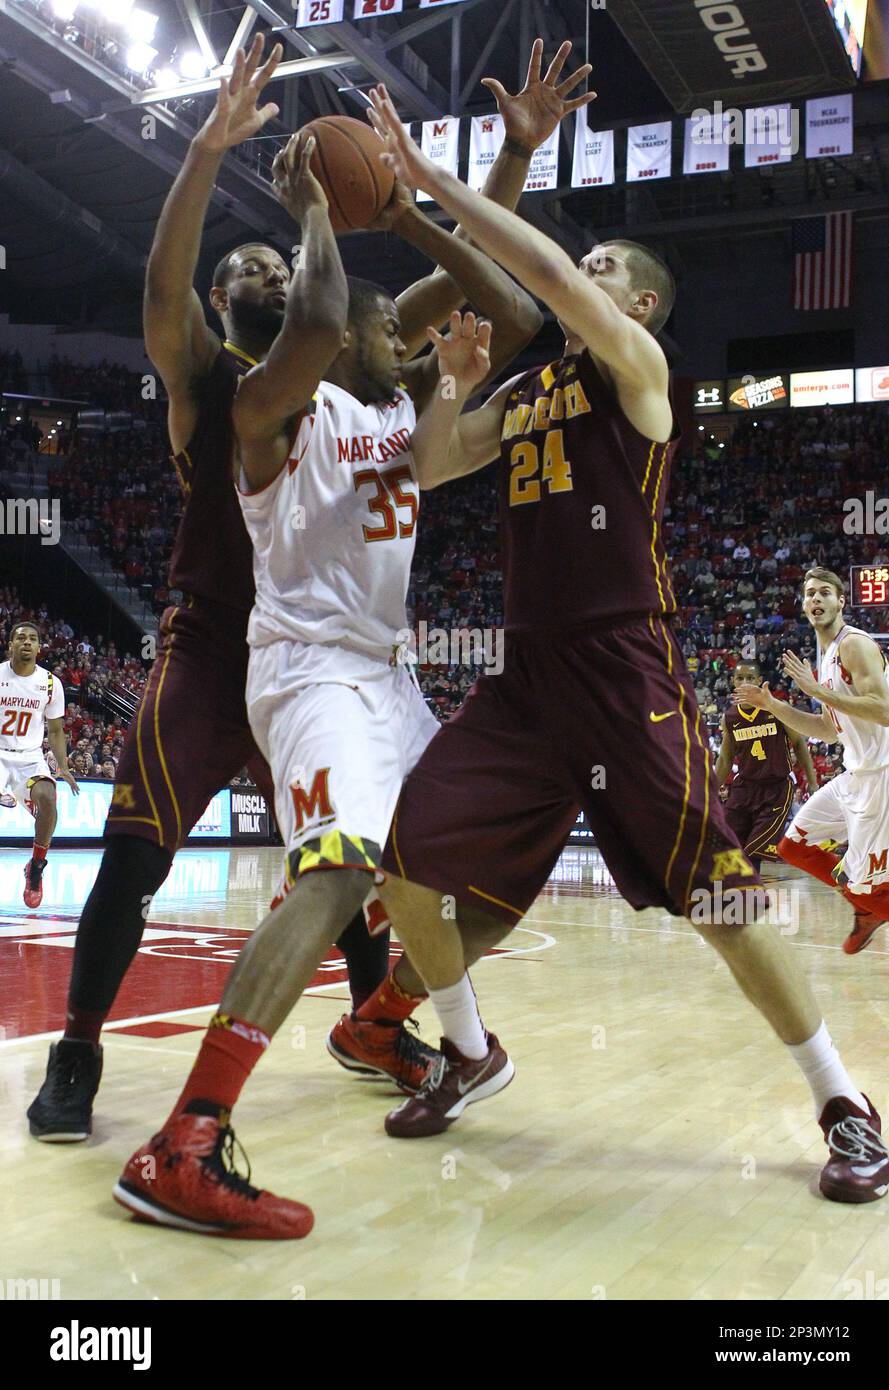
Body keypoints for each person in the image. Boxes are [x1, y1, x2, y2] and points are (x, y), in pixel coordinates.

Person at [27, 33, 582, 1145]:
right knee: (138, 853)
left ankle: (372, 1024)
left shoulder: (348, 372)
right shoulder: (215, 385)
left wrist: (506, 166)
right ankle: (80, 1046)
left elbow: (449, 284)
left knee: (366, 863)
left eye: (272, 263)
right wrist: (203, 154)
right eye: (242, 271)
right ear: (226, 305)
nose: (260, 270)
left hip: (334, 652)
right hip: (217, 649)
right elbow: (160, 281)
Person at [345, 86, 889, 1208]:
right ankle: (469, 1049)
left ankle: (844, 1101)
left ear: (638, 299)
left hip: (623, 667)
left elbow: (545, 279)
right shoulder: (533, 386)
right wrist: (450, 379)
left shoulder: (642, 371)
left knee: (721, 901)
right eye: (581, 258)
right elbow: (436, 466)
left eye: (601, 263)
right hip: (525, 679)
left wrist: (435, 183)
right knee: (411, 870)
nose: (579, 269)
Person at [112, 113, 542, 1236]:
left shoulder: (400, 402)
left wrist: (504, 162)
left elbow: (485, 293)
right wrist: (312, 200)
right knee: (338, 874)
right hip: (305, 675)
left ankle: (386, 1019)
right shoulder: (266, 409)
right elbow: (318, 315)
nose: (408, 332)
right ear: (355, 330)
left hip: (388, 679)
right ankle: (184, 1142)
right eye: (387, 325)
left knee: (481, 857)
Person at [735, 568, 889, 956]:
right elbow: (828, 730)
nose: (816, 599)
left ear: (841, 601)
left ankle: (872, 904)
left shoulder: (854, 645)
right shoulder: (824, 656)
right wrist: (774, 706)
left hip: (884, 777)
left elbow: (882, 711)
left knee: (870, 890)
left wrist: (811, 689)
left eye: (825, 592)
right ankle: (870, 907)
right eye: (810, 594)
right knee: (793, 847)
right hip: (856, 774)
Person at [0, 620, 78, 907]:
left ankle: (36, 867)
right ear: (10, 645)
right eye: (20, 637)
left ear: (39, 647)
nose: (27, 642)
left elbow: (55, 731)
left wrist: (65, 767)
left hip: (30, 758)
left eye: (33, 638)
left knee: (48, 798)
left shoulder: (49, 683)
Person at [716, 659, 818, 870]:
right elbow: (725, 758)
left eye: (750, 678)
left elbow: (799, 742)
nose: (745, 682)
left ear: (760, 681)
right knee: (726, 843)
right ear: (733, 681)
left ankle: (748, 896)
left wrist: (812, 782)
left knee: (753, 851)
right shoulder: (730, 717)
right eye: (740, 678)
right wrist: (709, 791)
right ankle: (731, 890)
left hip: (777, 787)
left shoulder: (776, 708)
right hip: (744, 787)